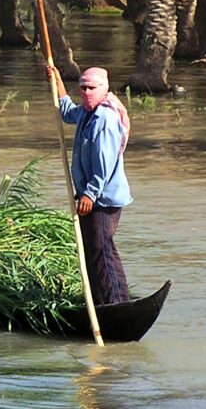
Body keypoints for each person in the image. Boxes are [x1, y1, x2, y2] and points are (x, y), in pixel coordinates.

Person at [46, 64, 133, 305]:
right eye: (82, 88)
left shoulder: (104, 117)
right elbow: (66, 112)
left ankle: (117, 302)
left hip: (103, 199)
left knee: (102, 251)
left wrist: (90, 195)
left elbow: (102, 165)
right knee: (91, 250)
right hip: (88, 197)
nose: (86, 92)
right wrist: (57, 80)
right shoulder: (86, 111)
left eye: (91, 88)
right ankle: (98, 302)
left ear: (103, 89)